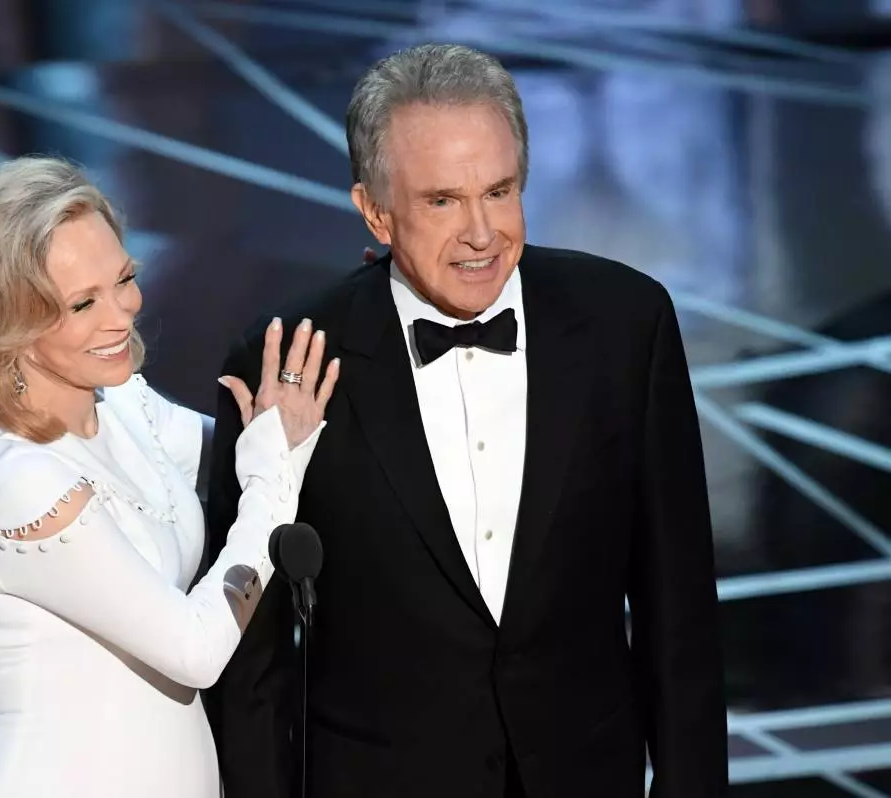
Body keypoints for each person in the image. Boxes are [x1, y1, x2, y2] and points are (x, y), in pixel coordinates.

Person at [206, 44, 727, 797]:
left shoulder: (625, 322)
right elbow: (254, 658)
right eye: (442, 201)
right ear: (375, 212)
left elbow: (678, 611)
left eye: (500, 191)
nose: (482, 233)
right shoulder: (289, 355)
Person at [0, 155, 339, 797]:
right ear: (6, 322)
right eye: (82, 303)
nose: (120, 315)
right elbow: (194, 649)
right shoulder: (20, 480)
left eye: (124, 280)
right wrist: (273, 483)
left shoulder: (123, 404)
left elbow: (254, 448)